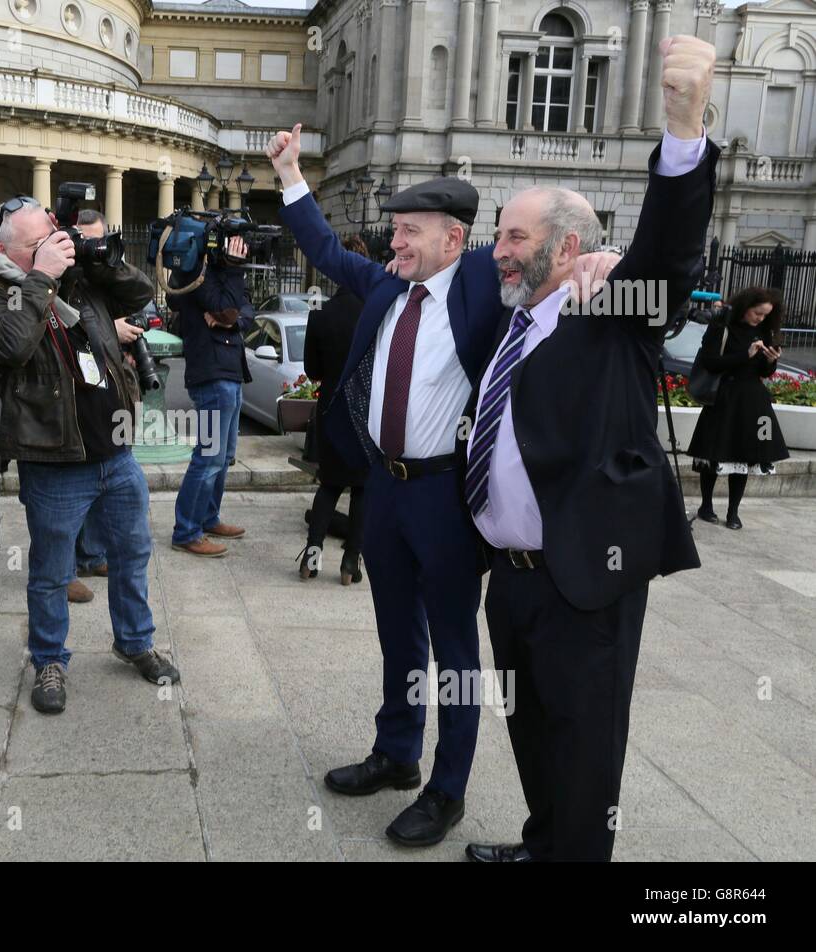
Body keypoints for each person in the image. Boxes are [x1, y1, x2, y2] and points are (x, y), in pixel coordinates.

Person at [463, 34, 716, 863]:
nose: (498, 248)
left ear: (566, 248)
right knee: (532, 730)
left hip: (585, 575)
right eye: (499, 234)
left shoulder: (613, 313)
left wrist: (684, 128)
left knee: (585, 743)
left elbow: (670, 259)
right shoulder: (514, 320)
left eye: (513, 236)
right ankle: (546, 845)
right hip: (513, 579)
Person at [268, 123, 506, 847]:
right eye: (395, 229)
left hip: (443, 495)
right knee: (397, 634)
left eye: (410, 232)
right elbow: (326, 250)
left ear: (452, 241)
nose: (395, 242)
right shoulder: (384, 287)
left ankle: (447, 788)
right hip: (386, 489)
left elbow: (538, 257)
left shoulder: (479, 287)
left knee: (456, 650)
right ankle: (397, 754)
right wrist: (290, 175)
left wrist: (594, 262)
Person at [0, 199, 179, 714]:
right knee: (52, 571)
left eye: (52, 237)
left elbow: (141, 293)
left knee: (132, 555)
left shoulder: (79, 278)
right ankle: (49, 660)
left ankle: (134, 642)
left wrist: (100, 257)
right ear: (3, 251)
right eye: (35, 244)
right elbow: (12, 348)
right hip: (55, 461)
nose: (52, 248)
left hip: (117, 452)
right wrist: (41, 277)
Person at [167, 230, 255, 558]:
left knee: (224, 456)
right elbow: (230, 307)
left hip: (230, 373)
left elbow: (245, 312)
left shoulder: (222, 275)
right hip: (211, 375)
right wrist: (232, 270)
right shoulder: (197, 273)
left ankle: (208, 517)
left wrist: (230, 322)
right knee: (208, 457)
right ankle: (186, 530)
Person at [66, 208, 138, 603]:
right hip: (73, 403)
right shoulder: (59, 277)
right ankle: (63, 570)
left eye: (98, 240)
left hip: (113, 390)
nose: (92, 249)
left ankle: (91, 554)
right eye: (84, 240)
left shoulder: (103, 273)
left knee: (106, 474)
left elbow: (139, 294)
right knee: (70, 490)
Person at [299, 232, 370, 585]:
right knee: (362, 489)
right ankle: (350, 564)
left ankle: (312, 557)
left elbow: (312, 371)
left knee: (329, 485)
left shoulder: (322, 313)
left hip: (331, 409)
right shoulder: (377, 312)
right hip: (367, 410)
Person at [688, 287, 789, 530]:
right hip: (724, 396)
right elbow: (711, 362)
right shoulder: (723, 326)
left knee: (746, 455)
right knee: (715, 452)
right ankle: (706, 506)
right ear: (745, 307)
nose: (760, 319)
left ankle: (734, 511)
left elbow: (764, 372)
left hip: (752, 399)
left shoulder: (765, 331)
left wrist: (770, 360)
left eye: (765, 315)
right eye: (757, 313)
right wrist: (745, 354)